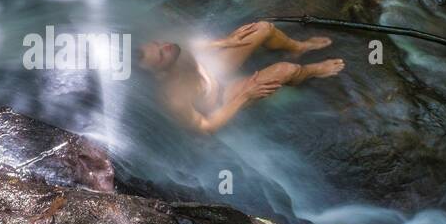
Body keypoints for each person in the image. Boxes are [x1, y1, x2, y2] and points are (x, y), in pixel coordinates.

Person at [137, 21, 343, 134]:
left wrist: (224, 42)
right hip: (222, 97)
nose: (166, 46)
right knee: (287, 70)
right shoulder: (174, 99)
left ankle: (299, 47)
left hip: (211, 70)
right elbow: (205, 127)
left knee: (263, 28)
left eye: (158, 43)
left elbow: (189, 44)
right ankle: (312, 71)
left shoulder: (171, 49)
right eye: (162, 54)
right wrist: (245, 96)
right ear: (160, 72)